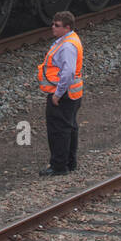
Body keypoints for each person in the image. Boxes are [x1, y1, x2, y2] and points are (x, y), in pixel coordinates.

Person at [37, 10, 83, 176]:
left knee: (58, 131)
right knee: (70, 127)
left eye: (57, 25)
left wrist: (57, 94)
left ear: (67, 27)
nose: (53, 28)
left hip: (63, 95)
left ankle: (58, 167)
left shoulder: (67, 46)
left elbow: (68, 72)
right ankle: (70, 163)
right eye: (53, 24)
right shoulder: (70, 39)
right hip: (72, 94)